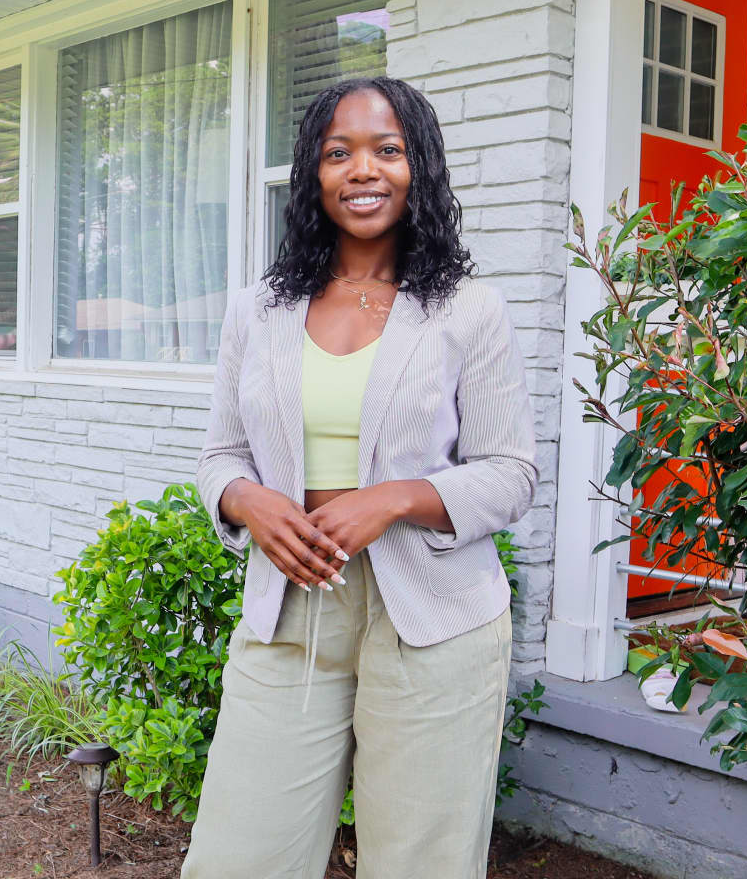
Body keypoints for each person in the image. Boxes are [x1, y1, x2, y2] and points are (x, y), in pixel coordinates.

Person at [183, 76, 538, 879]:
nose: (363, 170)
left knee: (421, 864)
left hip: (434, 612)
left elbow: (511, 472)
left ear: (420, 169)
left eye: (388, 149)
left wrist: (395, 497)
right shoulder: (259, 311)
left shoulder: (467, 309)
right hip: (291, 607)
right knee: (240, 857)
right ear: (314, 172)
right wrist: (247, 502)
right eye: (339, 153)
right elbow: (220, 456)